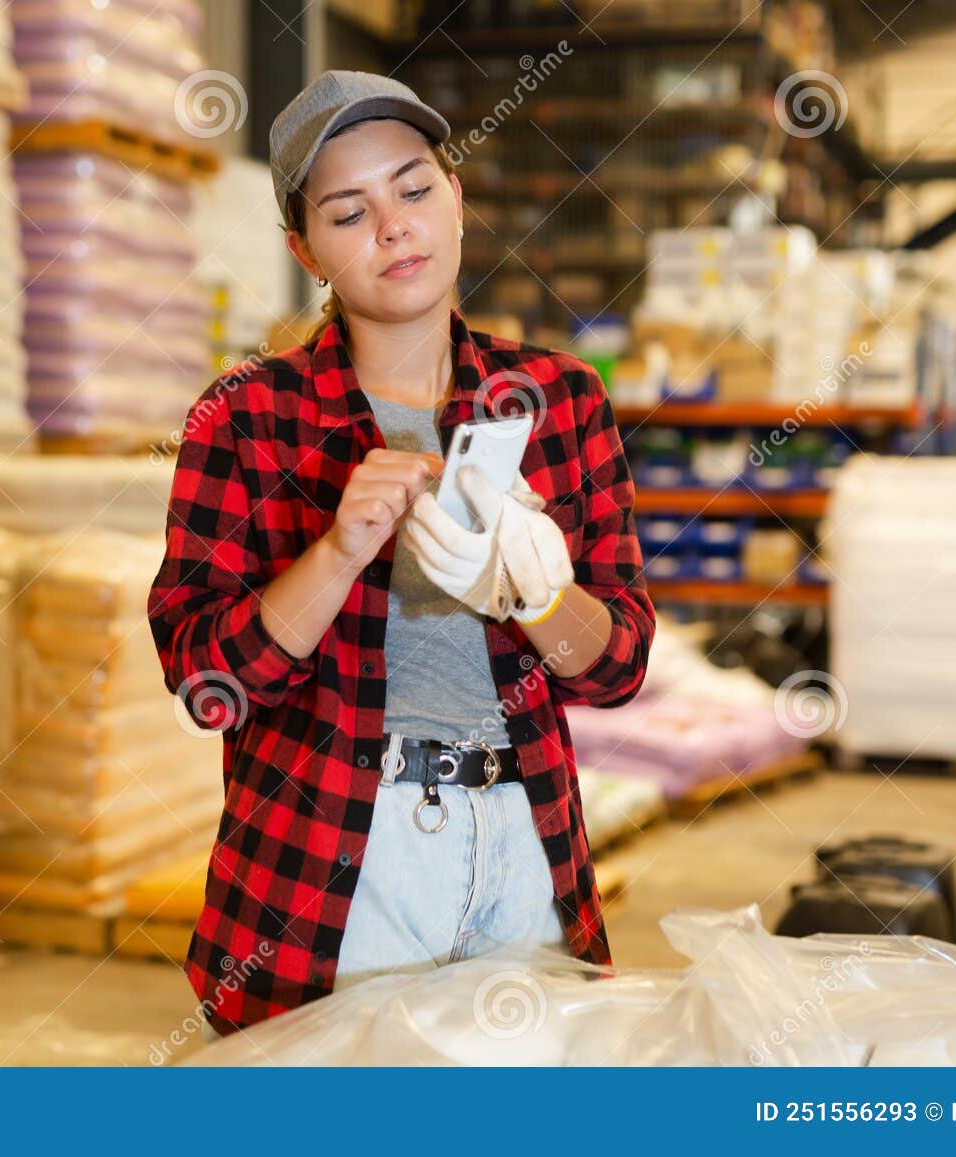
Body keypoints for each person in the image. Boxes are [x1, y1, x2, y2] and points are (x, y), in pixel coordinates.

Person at [147, 70, 655, 1039]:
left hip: (522, 843)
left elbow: (618, 666)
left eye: (415, 189)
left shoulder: (558, 397)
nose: (394, 227)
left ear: (456, 199)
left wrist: (536, 592)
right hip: (341, 855)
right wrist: (336, 550)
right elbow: (208, 678)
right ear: (304, 248)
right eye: (349, 211)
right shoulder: (247, 416)